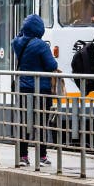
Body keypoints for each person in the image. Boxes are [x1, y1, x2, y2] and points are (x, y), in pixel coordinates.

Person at [12, 14, 58, 167]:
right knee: (42, 123)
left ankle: (23, 156)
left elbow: (18, 37)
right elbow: (52, 65)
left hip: (24, 88)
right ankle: (42, 156)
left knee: (25, 122)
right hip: (41, 90)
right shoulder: (41, 45)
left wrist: (22, 32)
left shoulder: (17, 43)